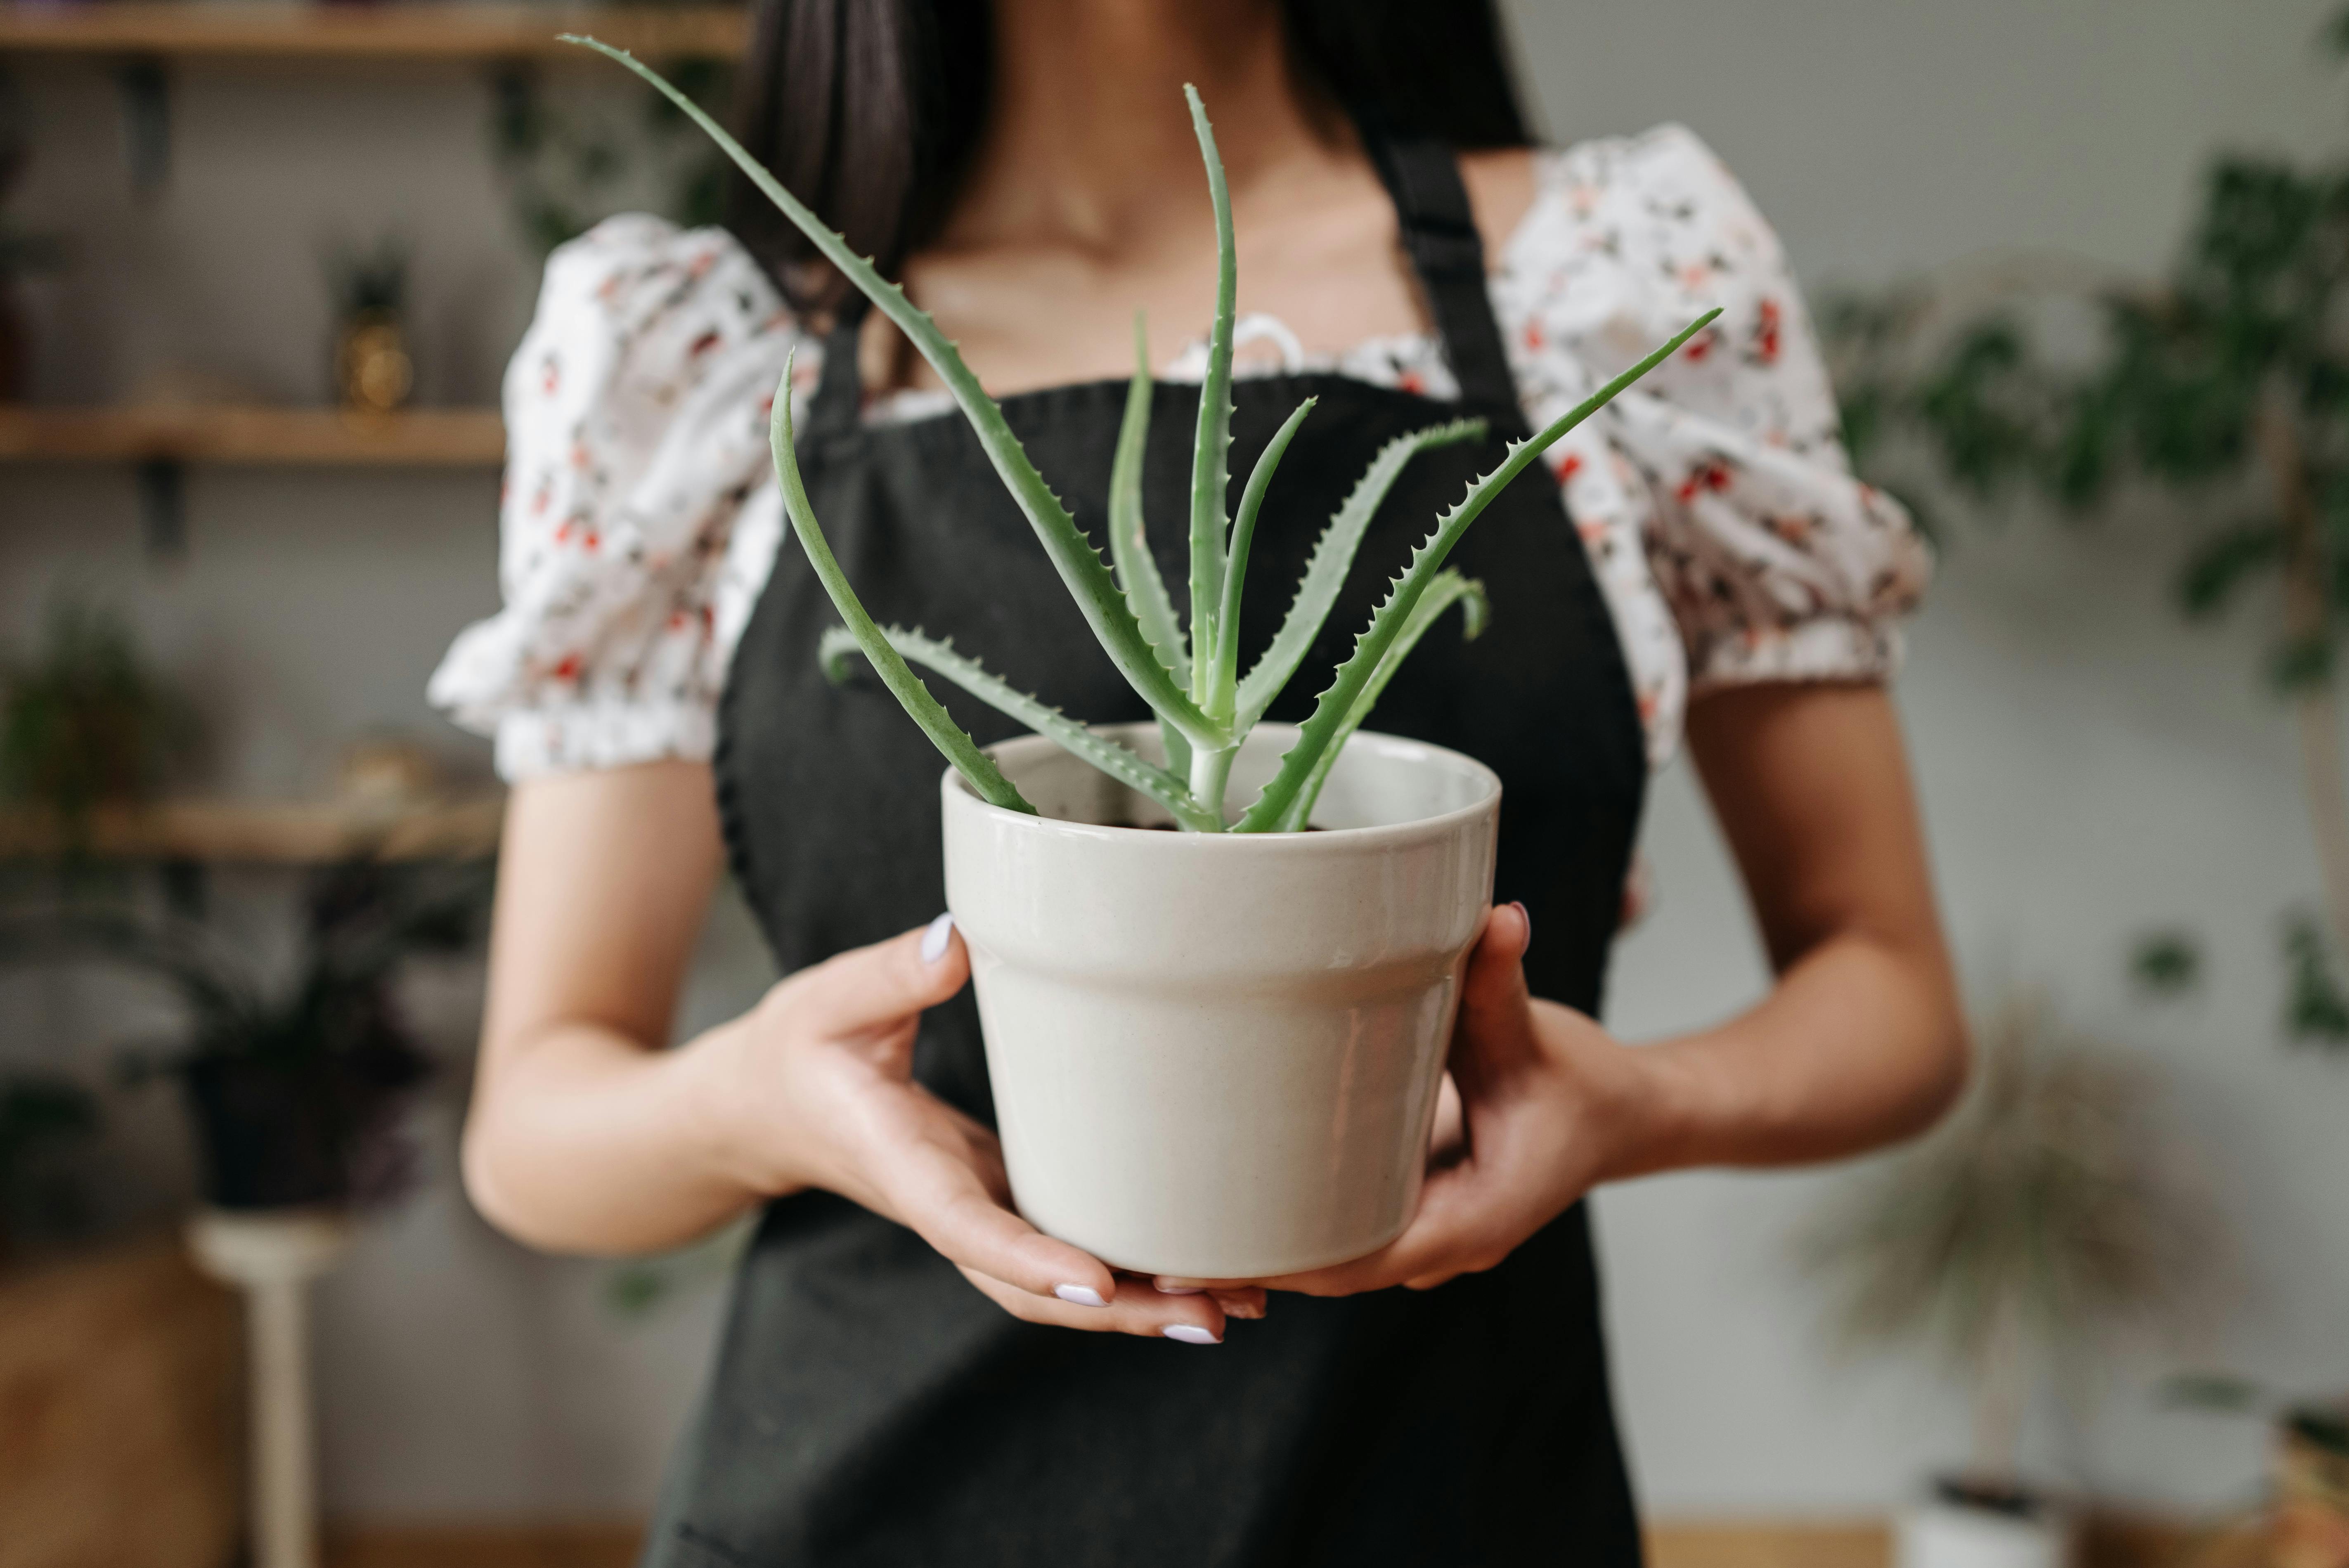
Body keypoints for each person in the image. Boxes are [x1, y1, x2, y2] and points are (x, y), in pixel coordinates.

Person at [430, 0, 1963, 1561]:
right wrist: (764, 1098)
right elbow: (538, 1127)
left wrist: (1629, 1106)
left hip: (1451, 1500)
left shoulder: (1612, 276)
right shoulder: (700, 350)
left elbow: (1891, 1000)